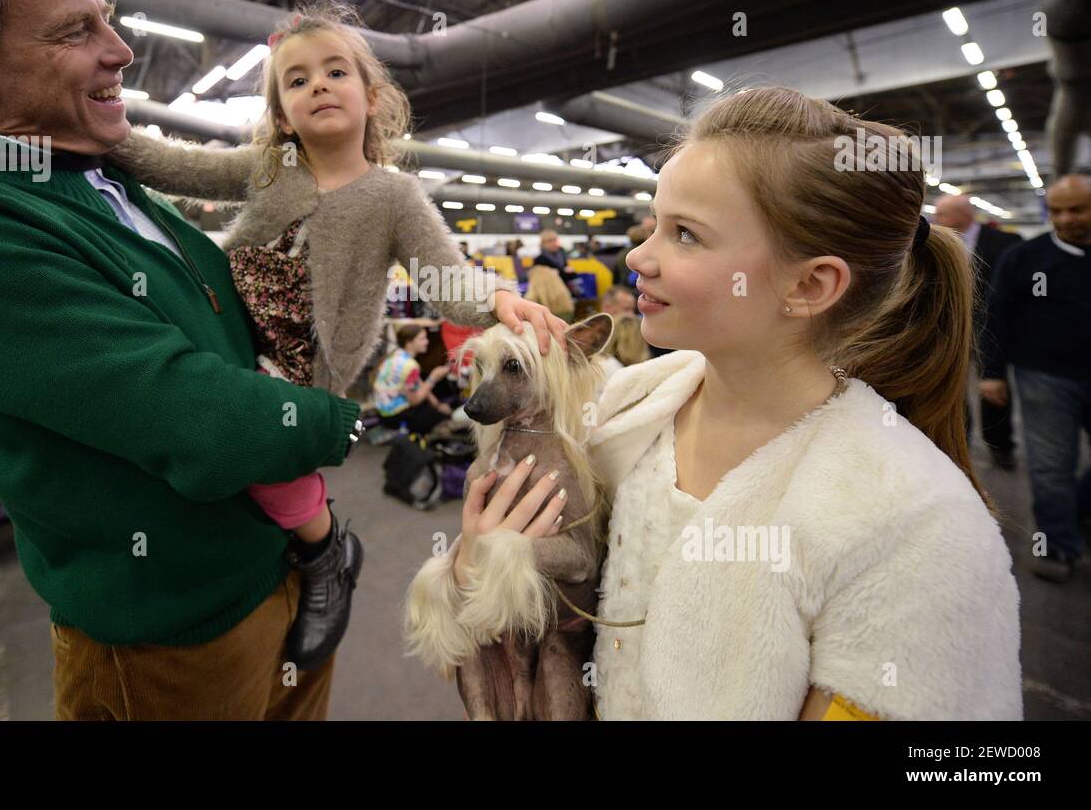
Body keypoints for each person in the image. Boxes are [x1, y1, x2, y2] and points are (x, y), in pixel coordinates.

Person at [0, 0, 368, 720]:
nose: (120, 50)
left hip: (278, 574)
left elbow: (229, 333)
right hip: (171, 639)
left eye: (109, 18)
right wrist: (346, 418)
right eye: (74, 31)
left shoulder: (109, 181)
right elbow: (184, 410)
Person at [411, 87, 1021, 720]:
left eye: (685, 235)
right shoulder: (620, 412)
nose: (637, 256)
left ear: (810, 284)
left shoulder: (916, 528)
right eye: (654, 223)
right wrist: (474, 573)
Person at [109, 0, 568, 666]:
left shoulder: (392, 197)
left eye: (334, 72)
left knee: (261, 454)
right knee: (197, 437)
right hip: (232, 335)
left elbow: (444, 279)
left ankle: (326, 551)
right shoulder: (268, 167)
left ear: (373, 96)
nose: (317, 85)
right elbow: (175, 167)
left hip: (309, 370)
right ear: (279, 113)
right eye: (296, 81)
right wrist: (104, 132)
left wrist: (498, 296)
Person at [980, 173, 1091, 584]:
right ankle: (1057, 544)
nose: (1066, 219)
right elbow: (997, 315)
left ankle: (1076, 510)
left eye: (1077, 210)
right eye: (1056, 210)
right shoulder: (1026, 258)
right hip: (1044, 378)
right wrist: (992, 372)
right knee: (1050, 466)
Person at [934, 193, 1021, 469]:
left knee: (993, 388)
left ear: (965, 215)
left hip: (991, 328)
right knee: (952, 390)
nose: (937, 220)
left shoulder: (1005, 243)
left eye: (943, 214)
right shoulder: (933, 242)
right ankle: (960, 442)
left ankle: (1000, 445)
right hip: (948, 329)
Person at [373, 324, 454, 436]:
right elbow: (415, 400)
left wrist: (437, 404)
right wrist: (433, 377)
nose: (427, 342)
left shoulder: (396, 355)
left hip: (381, 411)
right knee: (443, 418)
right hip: (393, 415)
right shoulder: (410, 365)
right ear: (409, 342)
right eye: (422, 339)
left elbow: (418, 382)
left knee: (434, 403)